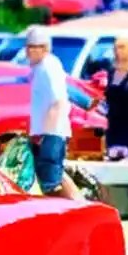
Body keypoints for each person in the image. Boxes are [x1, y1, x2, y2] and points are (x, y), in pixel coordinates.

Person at [25, 27, 79, 199]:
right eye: (29, 47)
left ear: (45, 48)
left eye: (34, 47)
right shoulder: (43, 67)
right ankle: (80, 206)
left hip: (51, 133)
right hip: (51, 132)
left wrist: (43, 134)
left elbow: (57, 102)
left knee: (50, 182)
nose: (29, 52)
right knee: (56, 176)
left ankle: (74, 209)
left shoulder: (47, 68)